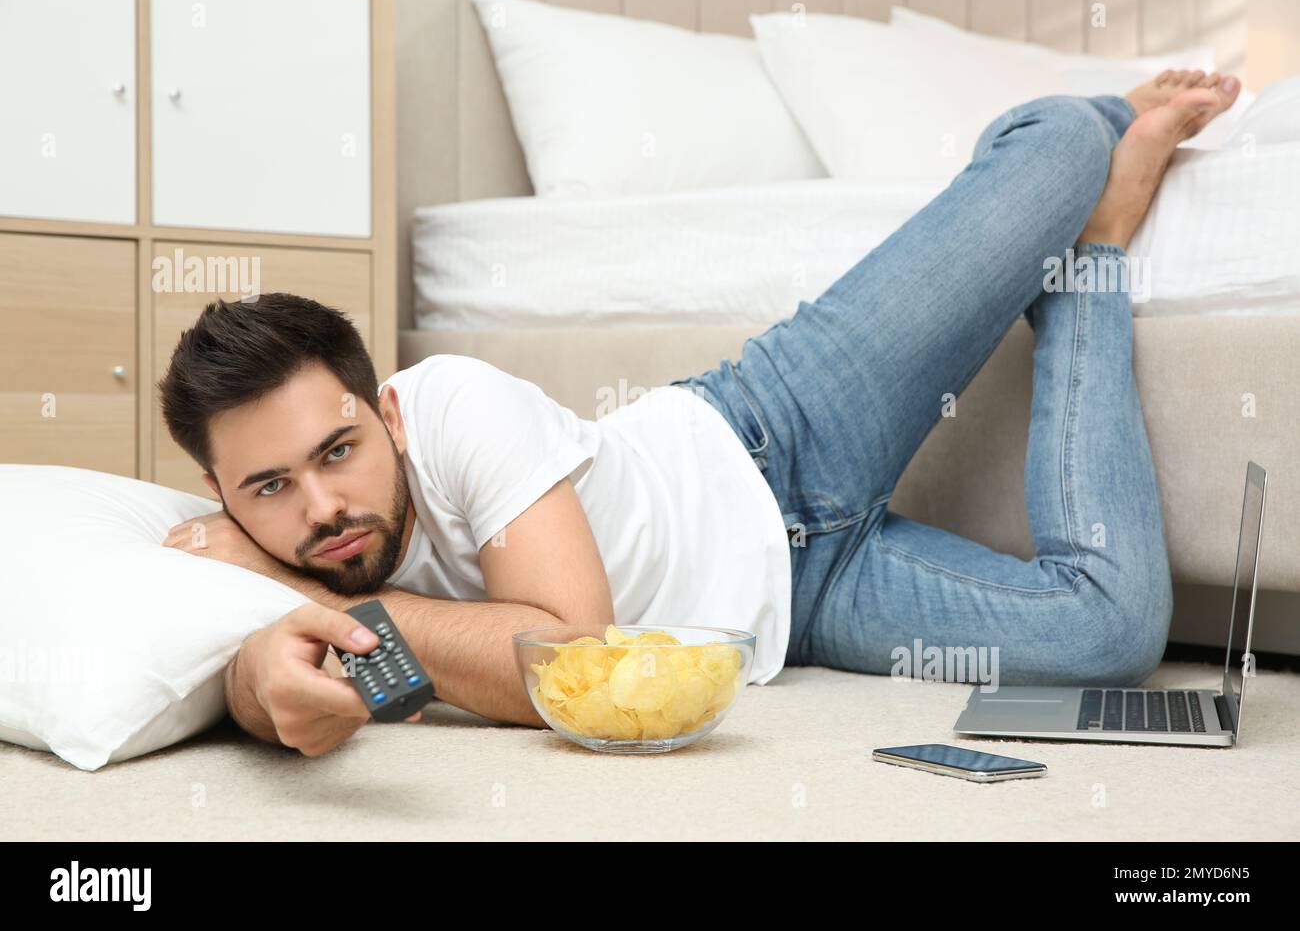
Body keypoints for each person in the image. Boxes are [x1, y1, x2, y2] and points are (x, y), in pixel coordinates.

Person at [159, 70, 1240, 756]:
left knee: (1058, 134)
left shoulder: (452, 400)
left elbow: (565, 654)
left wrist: (312, 591)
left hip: (776, 430)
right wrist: (265, 661)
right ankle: (1088, 258)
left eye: (339, 449)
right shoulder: (239, 553)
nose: (322, 504)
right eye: (270, 487)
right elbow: (263, 686)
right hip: (796, 604)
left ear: (386, 412)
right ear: (220, 490)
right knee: (1111, 634)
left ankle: (1089, 172)